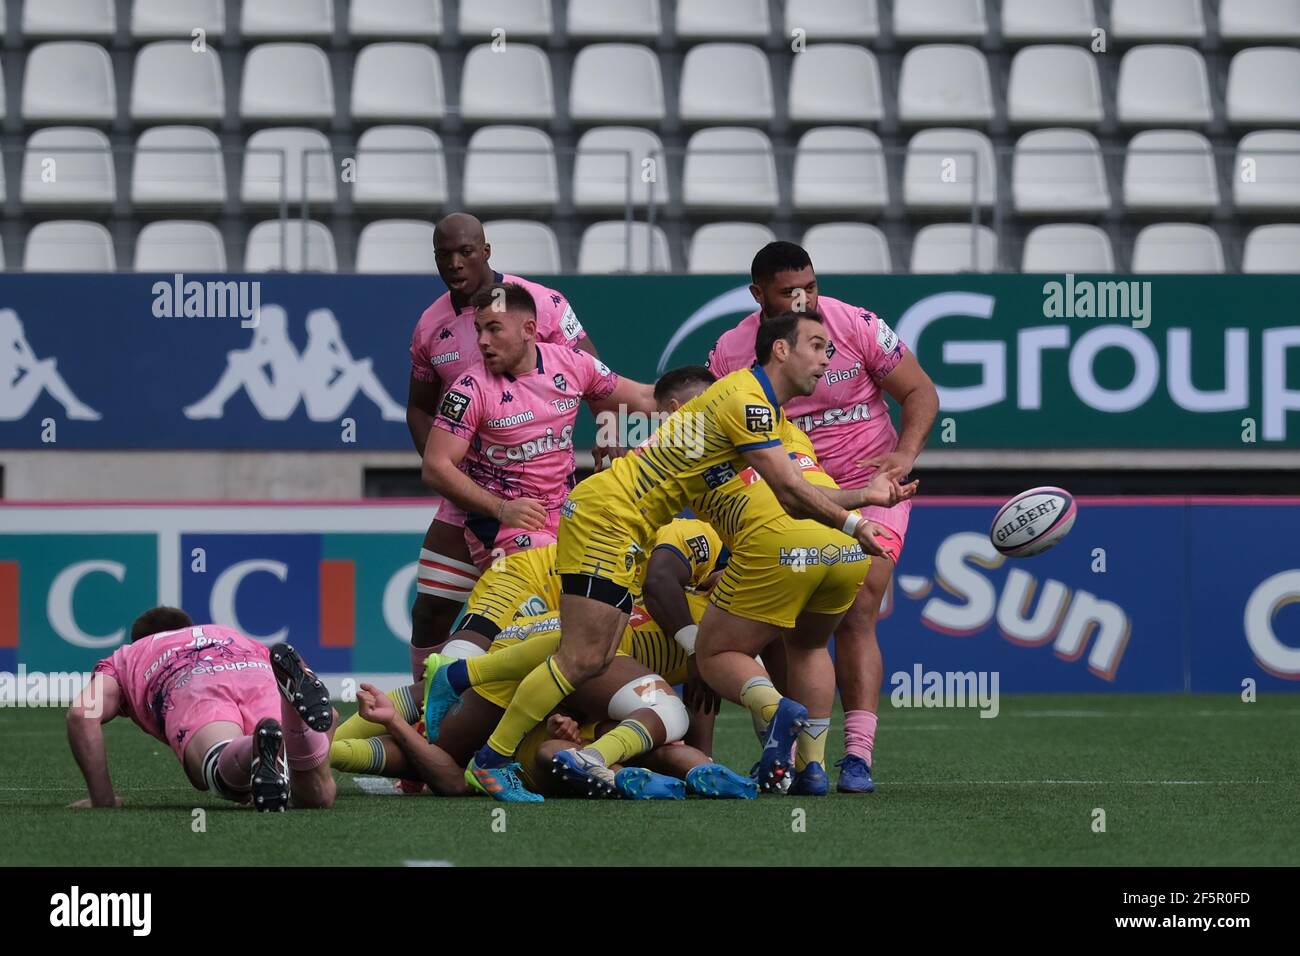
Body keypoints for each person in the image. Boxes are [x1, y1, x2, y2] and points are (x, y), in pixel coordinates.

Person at [442, 313, 915, 800]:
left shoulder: (762, 412)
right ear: (779, 350)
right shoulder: (743, 397)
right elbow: (792, 495)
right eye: (817, 345)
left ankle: (459, 678)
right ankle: (491, 757)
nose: (826, 358)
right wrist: (859, 517)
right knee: (582, 656)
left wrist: (863, 499)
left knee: (597, 655)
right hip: (610, 516)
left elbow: (787, 496)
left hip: (630, 523)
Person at [707, 241, 939, 793]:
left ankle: (857, 756)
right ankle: (796, 756)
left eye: (810, 285)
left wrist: (904, 455)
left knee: (858, 608)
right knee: (785, 625)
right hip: (792, 494)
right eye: (790, 290)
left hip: (875, 489)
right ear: (758, 295)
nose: (805, 297)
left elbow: (920, 391)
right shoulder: (729, 351)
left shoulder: (854, 324)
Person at [405, 214, 600, 681]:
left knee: (533, 619)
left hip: (538, 500)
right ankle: (420, 717)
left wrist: (608, 443)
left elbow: (595, 374)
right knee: (431, 611)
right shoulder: (431, 327)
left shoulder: (542, 304)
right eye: (443, 255)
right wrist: (449, 475)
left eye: (465, 252)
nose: (454, 263)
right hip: (471, 498)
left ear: (486, 251)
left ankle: (546, 720)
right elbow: (417, 408)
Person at [66, 606, 336, 812]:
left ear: (139, 639)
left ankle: (252, 748)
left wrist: (103, 800)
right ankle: (295, 722)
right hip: (254, 672)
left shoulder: (128, 655)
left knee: (216, 766)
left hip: (193, 685)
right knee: (317, 796)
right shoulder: (229, 634)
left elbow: (82, 714)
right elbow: (331, 717)